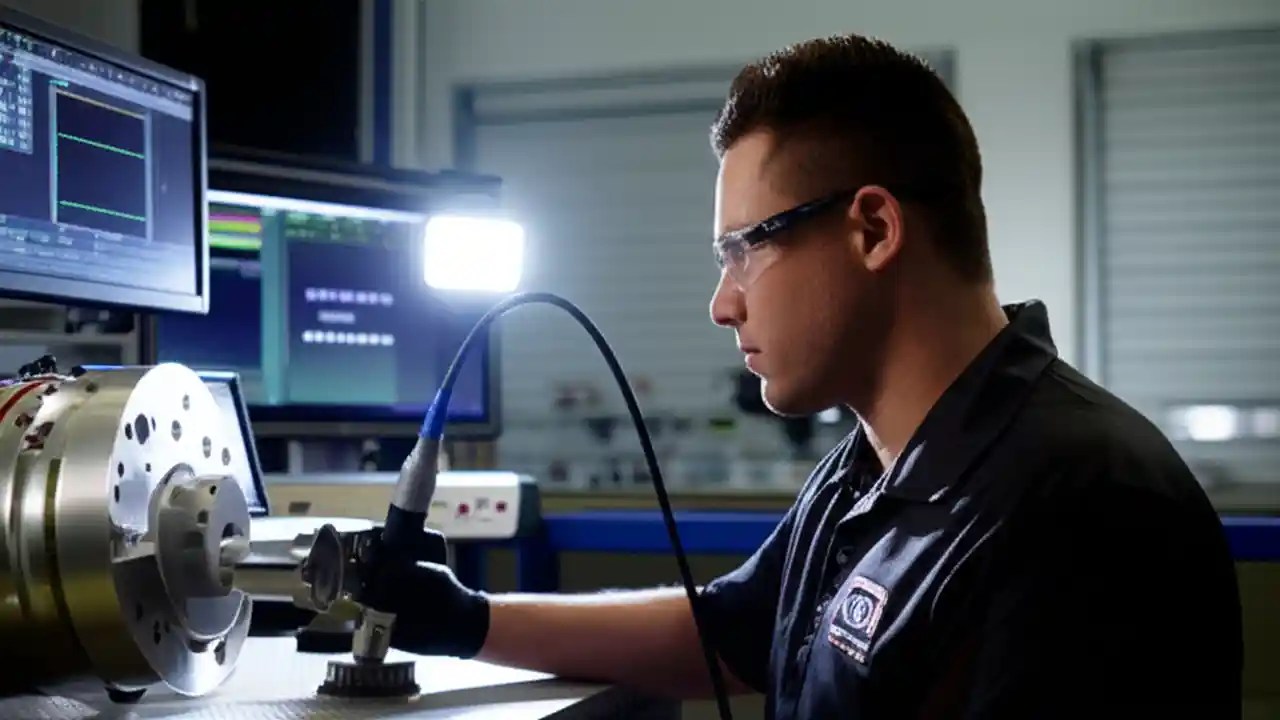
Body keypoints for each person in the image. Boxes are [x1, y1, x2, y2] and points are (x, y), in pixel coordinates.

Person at [373, 33, 1244, 718]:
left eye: (742, 251)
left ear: (872, 229)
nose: (723, 304)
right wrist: (467, 620)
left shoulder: (1084, 507)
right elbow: (732, 634)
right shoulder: (874, 466)